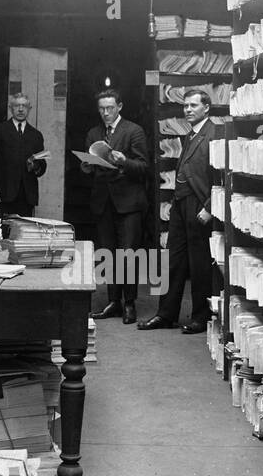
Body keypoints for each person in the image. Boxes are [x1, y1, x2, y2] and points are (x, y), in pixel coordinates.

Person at [138, 87, 216, 333]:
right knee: (172, 262)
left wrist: (210, 208)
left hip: (199, 205)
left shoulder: (214, 134)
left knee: (200, 264)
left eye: (193, 105)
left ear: (207, 107)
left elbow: (223, 178)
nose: (188, 110)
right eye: (185, 106)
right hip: (181, 206)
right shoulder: (189, 135)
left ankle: (201, 318)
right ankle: (166, 314)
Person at [82, 87, 149, 324]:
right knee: (108, 254)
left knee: (128, 254)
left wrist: (124, 161)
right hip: (103, 202)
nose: (105, 113)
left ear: (120, 107)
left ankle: (130, 303)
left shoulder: (134, 131)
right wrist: (87, 165)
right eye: (101, 109)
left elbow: (143, 167)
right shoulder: (93, 133)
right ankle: (113, 302)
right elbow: (90, 166)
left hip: (129, 202)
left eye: (110, 108)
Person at [0, 92, 47, 215]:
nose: (20, 109)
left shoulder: (36, 135)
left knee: (24, 231)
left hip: (27, 195)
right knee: (4, 231)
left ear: (29, 109)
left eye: (24, 106)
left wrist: (36, 166)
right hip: (3, 193)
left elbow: (42, 166)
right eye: (16, 106)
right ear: (10, 108)